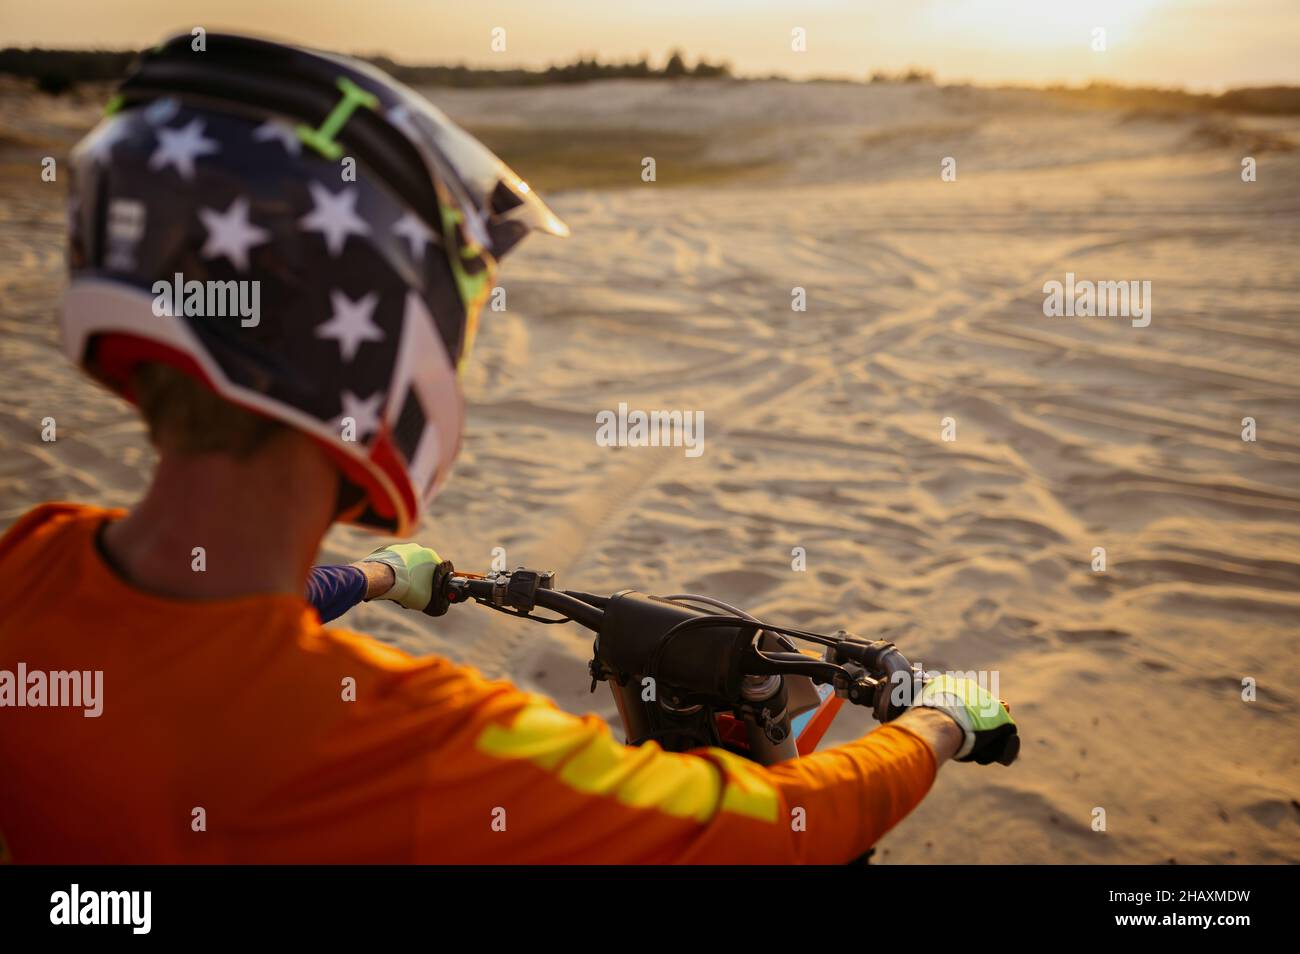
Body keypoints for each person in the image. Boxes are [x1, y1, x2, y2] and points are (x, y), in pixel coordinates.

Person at [0, 33, 1015, 864]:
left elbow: (194, 643)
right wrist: (939, 723)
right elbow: (788, 824)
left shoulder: (36, 561)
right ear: (375, 346)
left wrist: (366, 582)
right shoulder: (429, 748)